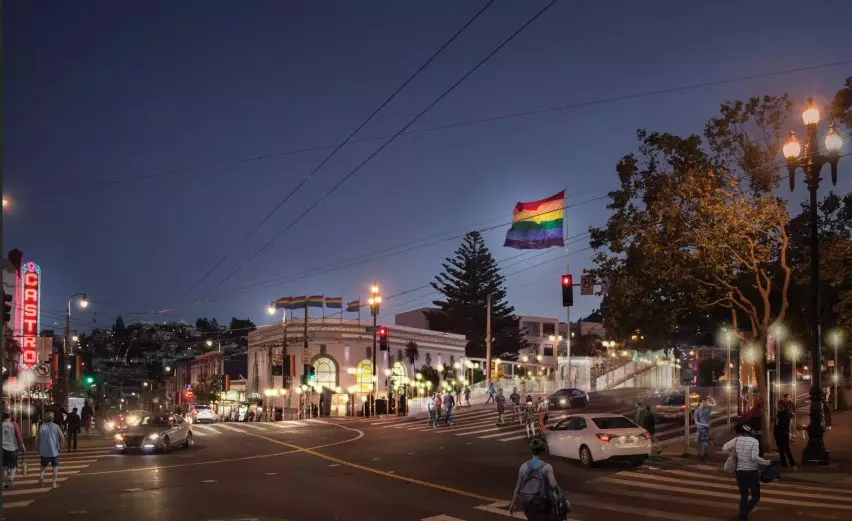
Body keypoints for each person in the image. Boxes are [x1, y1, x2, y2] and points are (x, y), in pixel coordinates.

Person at [509, 438, 567, 521]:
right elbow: (554, 485)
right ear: (541, 451)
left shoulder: (523, 466)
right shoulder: (547, 467)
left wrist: (513, 503)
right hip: (541, 503)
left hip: (527, 502)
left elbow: (518, 487)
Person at [723, 423, 771, 521]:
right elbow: (754, 457)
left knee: (744, 495)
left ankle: (742, 517)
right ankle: (742, 515)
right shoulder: (754, 441)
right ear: (750, 431)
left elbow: (724, 448)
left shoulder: (736, 440)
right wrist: (766, 462)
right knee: (755, 496)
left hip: (739, 472)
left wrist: (735, 453)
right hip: (751, 472)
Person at [36, 411, 65, 489]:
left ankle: (41, 476)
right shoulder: (56, 426)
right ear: (53, 418)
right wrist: (61, 446)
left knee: (43, 466)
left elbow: (37, 438)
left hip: (44, 451)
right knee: (55, 467)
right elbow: (62, 437)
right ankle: (54, 484)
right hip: (54, 451)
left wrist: (37, 447)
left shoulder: (42, 426)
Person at [2, 413, 26, 489]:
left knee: (4, 466)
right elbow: (19, 436)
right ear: (10, 416)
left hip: (2, 449)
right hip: (13, 448)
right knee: (13, 466)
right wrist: (22, 446)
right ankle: (11, 478)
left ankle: (6, 482)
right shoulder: (14, 424)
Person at [774, 399, 796, 470]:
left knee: (782, 449)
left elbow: (777, 425)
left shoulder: (779, 414)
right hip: (784, 433)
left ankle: (785, 464)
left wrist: (775, 434)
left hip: (780, 433)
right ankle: (791, 464)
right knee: (786, 449)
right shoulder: (786, 414)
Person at [694, 398, 713, 463]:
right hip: (701, 427)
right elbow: (696, 421)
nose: (704, 403)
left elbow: (715, 404)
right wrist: (704, 424)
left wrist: (711, 398)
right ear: (700, 403)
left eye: (705, 402)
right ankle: (703, 455)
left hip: (706, 428)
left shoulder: (707, 409)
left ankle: (704, 454)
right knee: (702, 441)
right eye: (703, 402)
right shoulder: (697, 410)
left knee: (704, 441)